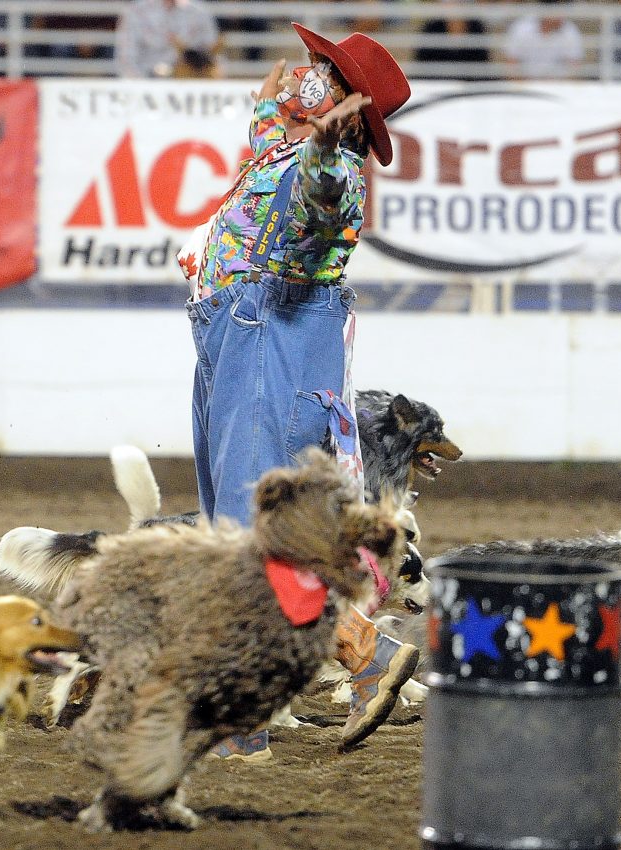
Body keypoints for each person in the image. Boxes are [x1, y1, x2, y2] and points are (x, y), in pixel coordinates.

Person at [177, 24, 420, 759]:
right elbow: (270, 172)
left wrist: (317, 145)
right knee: (253, 535)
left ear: (346, 103)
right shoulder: (292, 147)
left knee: (244, 539)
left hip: (263, 341)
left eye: (323, 69)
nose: (305, 74)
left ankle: (246, 721)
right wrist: (268, 118)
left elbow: (309, 207)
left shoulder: (333, 170)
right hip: (243, 337)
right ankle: (365, 658)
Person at [115, 0, 221, 79]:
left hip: (189, 89)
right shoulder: (135, 12)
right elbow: (126, 61)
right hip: (146, 88)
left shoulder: (200, 12)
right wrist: (146, 91)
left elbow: (215, 58)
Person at [503, 0, 584, 80]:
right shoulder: (521, 28)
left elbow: (574, 66)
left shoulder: (570, 30)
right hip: (526, 85)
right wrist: (523, 85)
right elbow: (511, 61)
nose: (562, 16)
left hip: (559, 86)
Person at [415, 0, 491, 82]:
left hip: (469, 85)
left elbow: (482, 63)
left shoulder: (476, 27)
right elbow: (422, 64)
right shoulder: (432, 28)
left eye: (458, 3)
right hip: (437, 84)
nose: (454, 8)